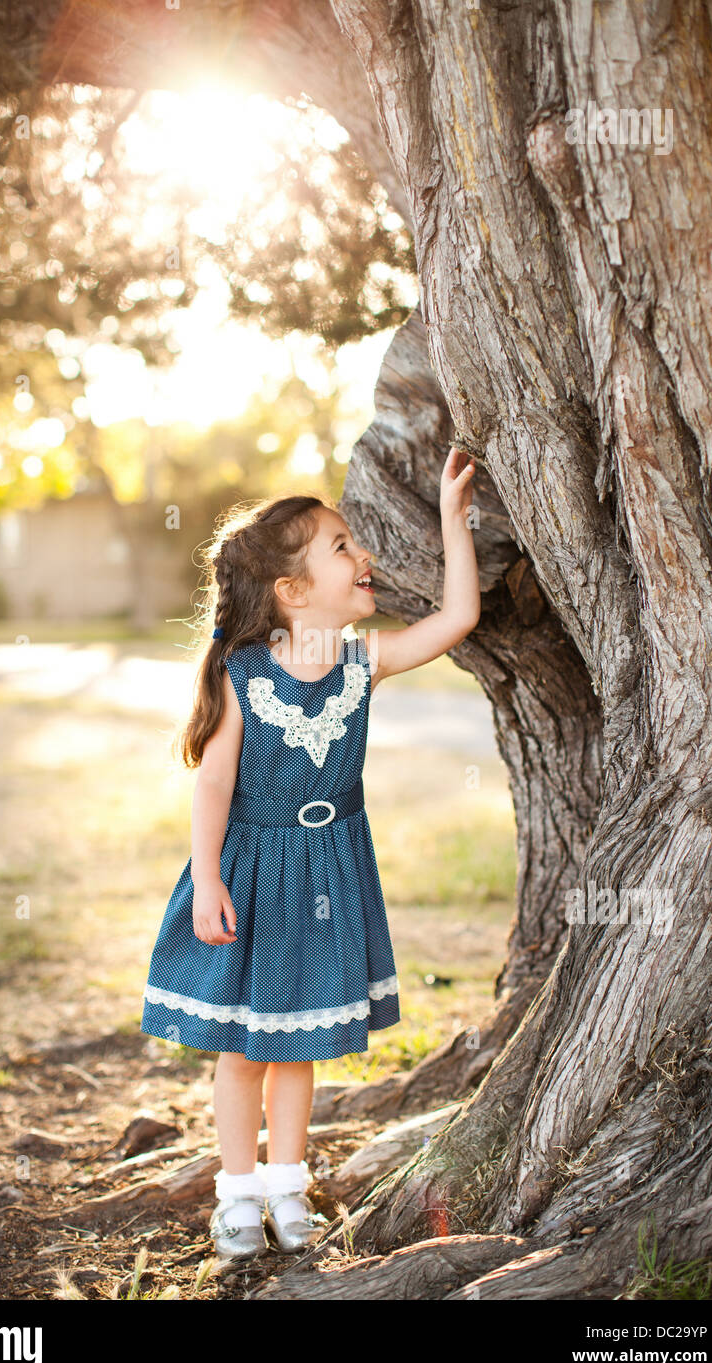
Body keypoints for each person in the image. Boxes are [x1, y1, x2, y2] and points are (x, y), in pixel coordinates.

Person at [140, 447, 480, 1262]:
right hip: (254, 870)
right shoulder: (243, 672)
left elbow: (457, 618)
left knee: (300, 1040)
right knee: (243, 1047)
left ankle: (288, 1190)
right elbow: (215, 783)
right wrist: (210, 878)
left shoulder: (362, 664)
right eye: (341, 548)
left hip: (329, 868)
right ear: (293, 593)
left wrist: (453, 521)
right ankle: (235, 1199)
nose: (362, 558)